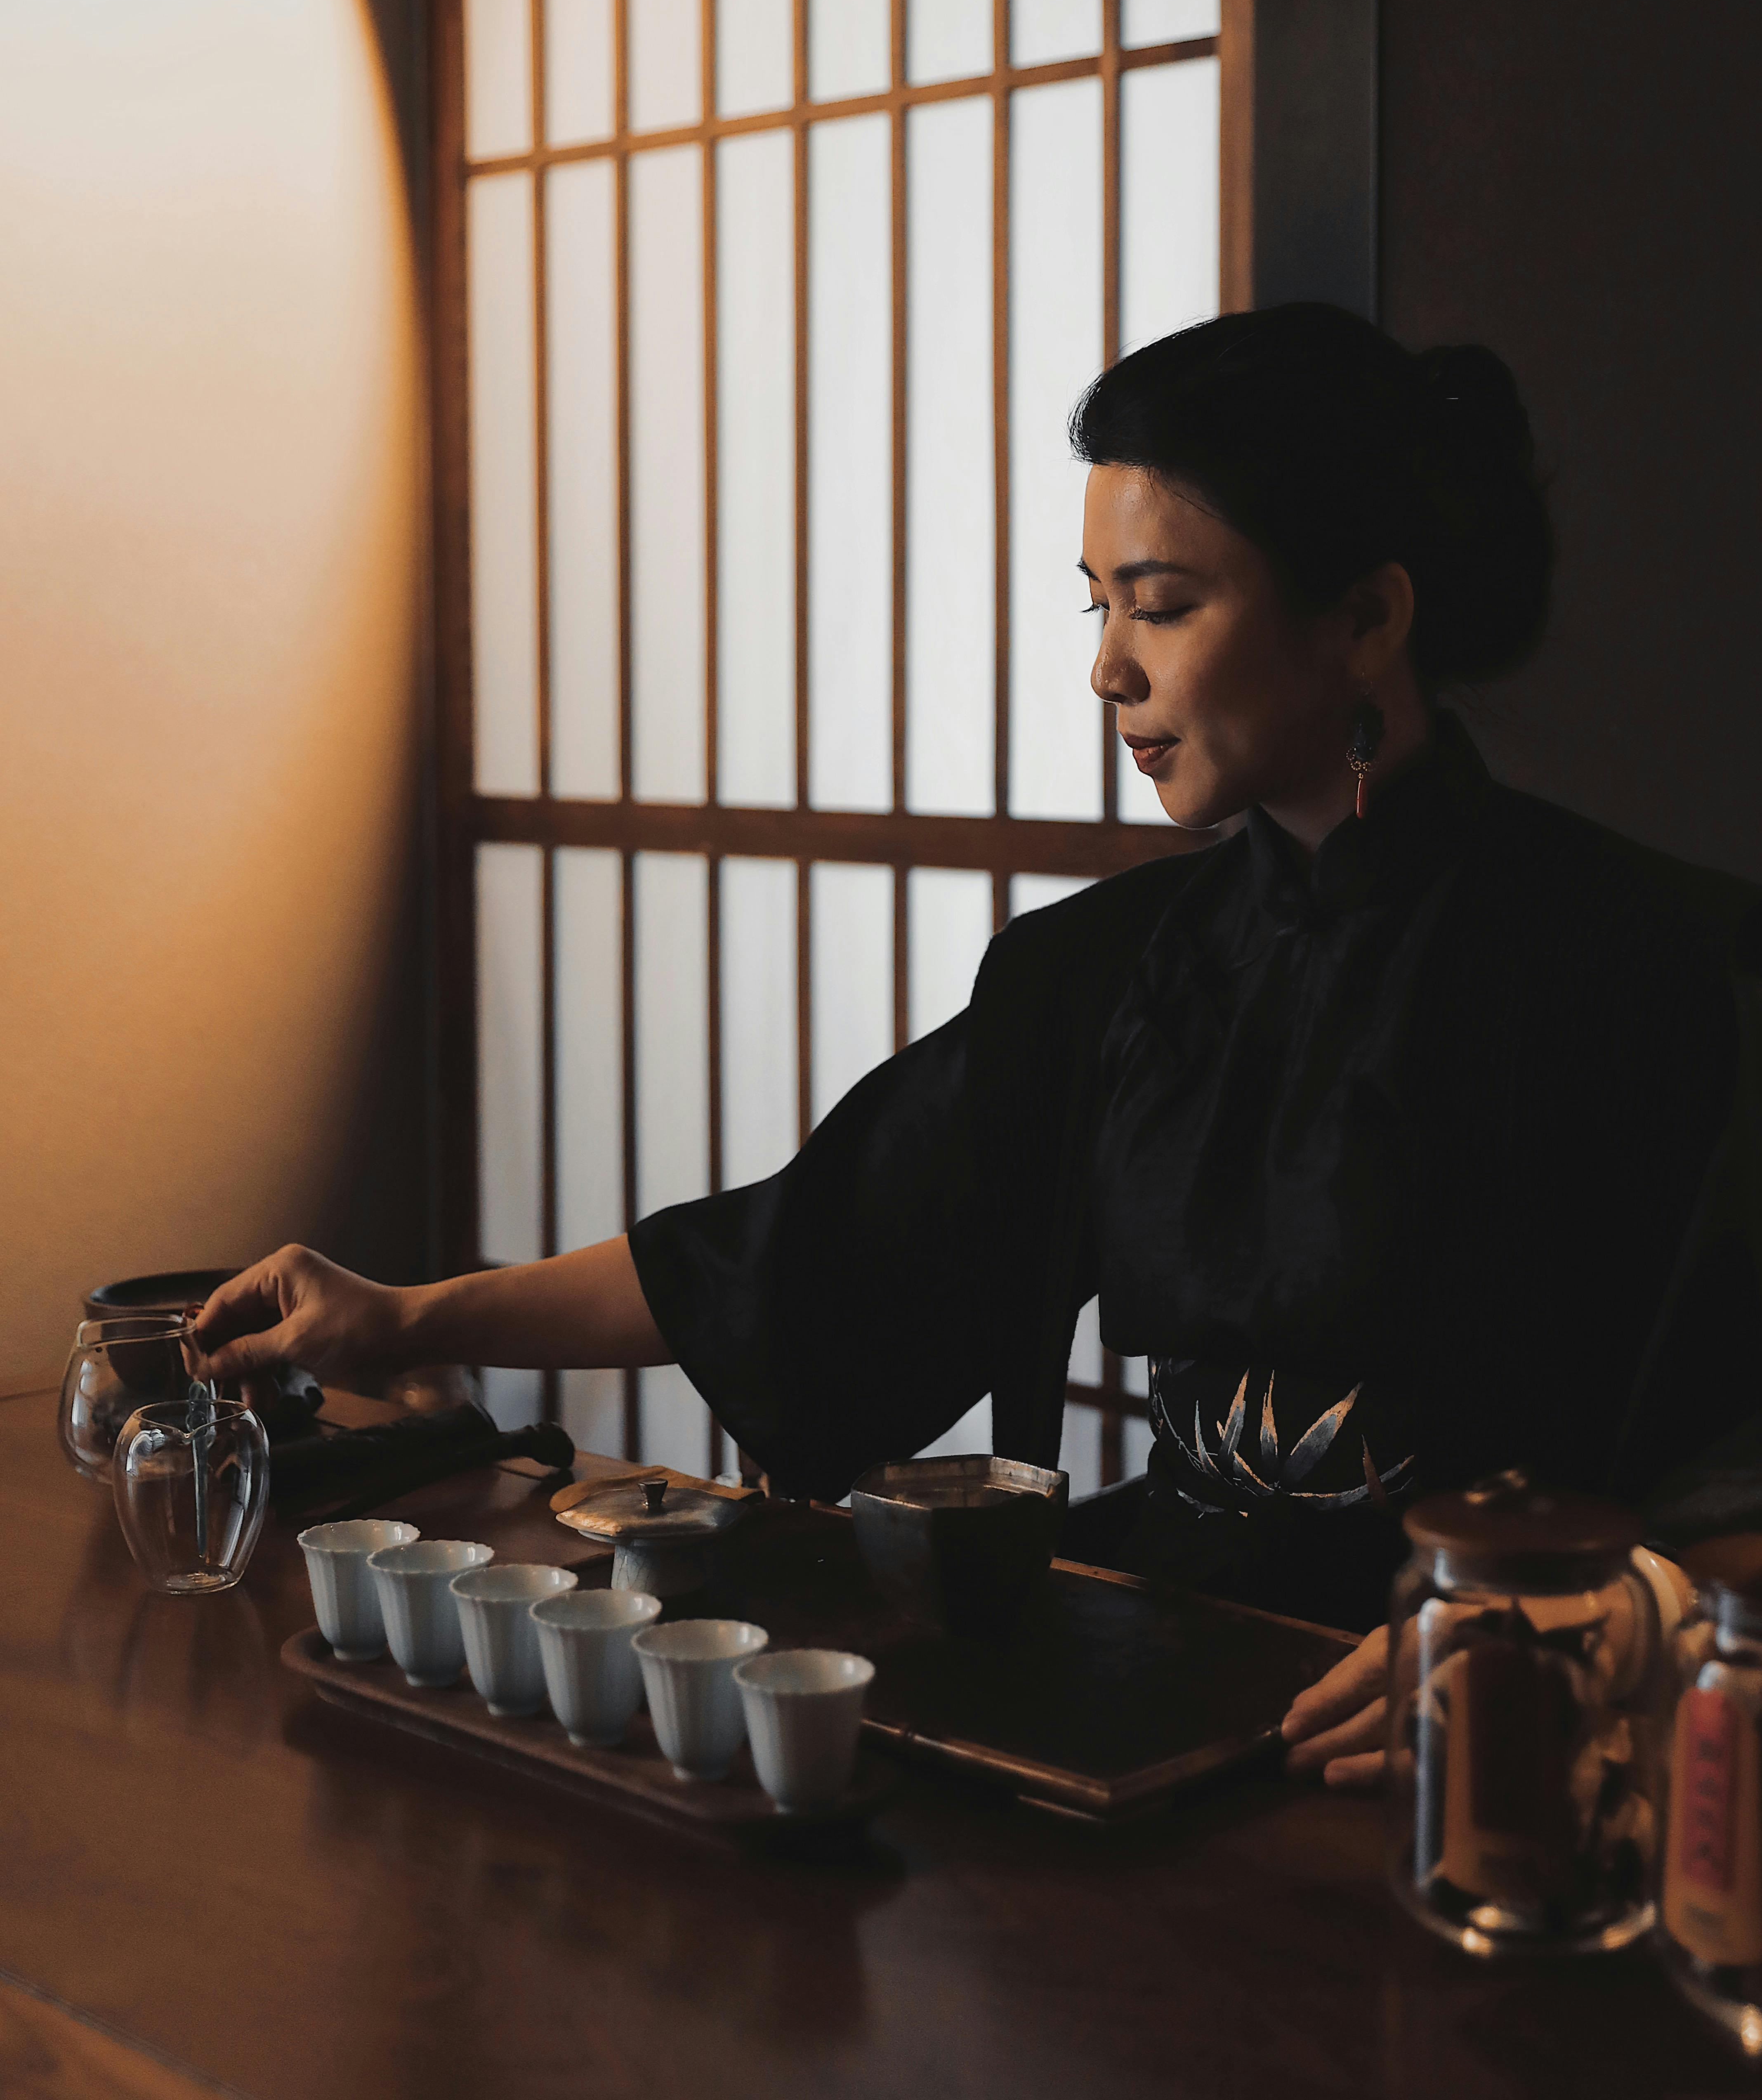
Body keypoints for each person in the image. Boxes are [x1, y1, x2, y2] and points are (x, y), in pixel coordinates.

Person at [193, 303, 1762, 1790]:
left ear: (1365, 616)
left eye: (1165, 603)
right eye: (1100, 604)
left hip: (1485, 1747)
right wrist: (407, 1317)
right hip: (1155, 1699)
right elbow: (801, 1250)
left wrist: (1592, 1621)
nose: (1109, 668)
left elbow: (1733, 1461)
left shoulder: (1655, 965)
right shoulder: (1112, 971)